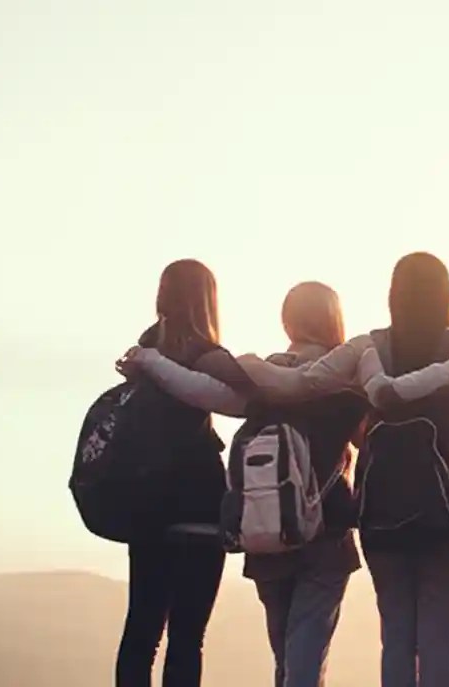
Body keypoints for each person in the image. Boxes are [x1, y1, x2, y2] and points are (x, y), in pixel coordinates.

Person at [126, 281, 368, 687]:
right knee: (304, 659)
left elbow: (203, 392)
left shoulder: (261, 378)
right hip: (326, 535)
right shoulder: (344, 379)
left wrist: (151, 362)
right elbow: (368, 438)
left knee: (284, 657)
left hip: (264, 532)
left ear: (287, 321)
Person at [112, 259, 254, 687]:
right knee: (188, 635)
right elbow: (248, 393)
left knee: (141, 630)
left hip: (148, 506)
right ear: (207, 301)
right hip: (199, 502)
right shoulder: (203, 353)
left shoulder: (143, 350)